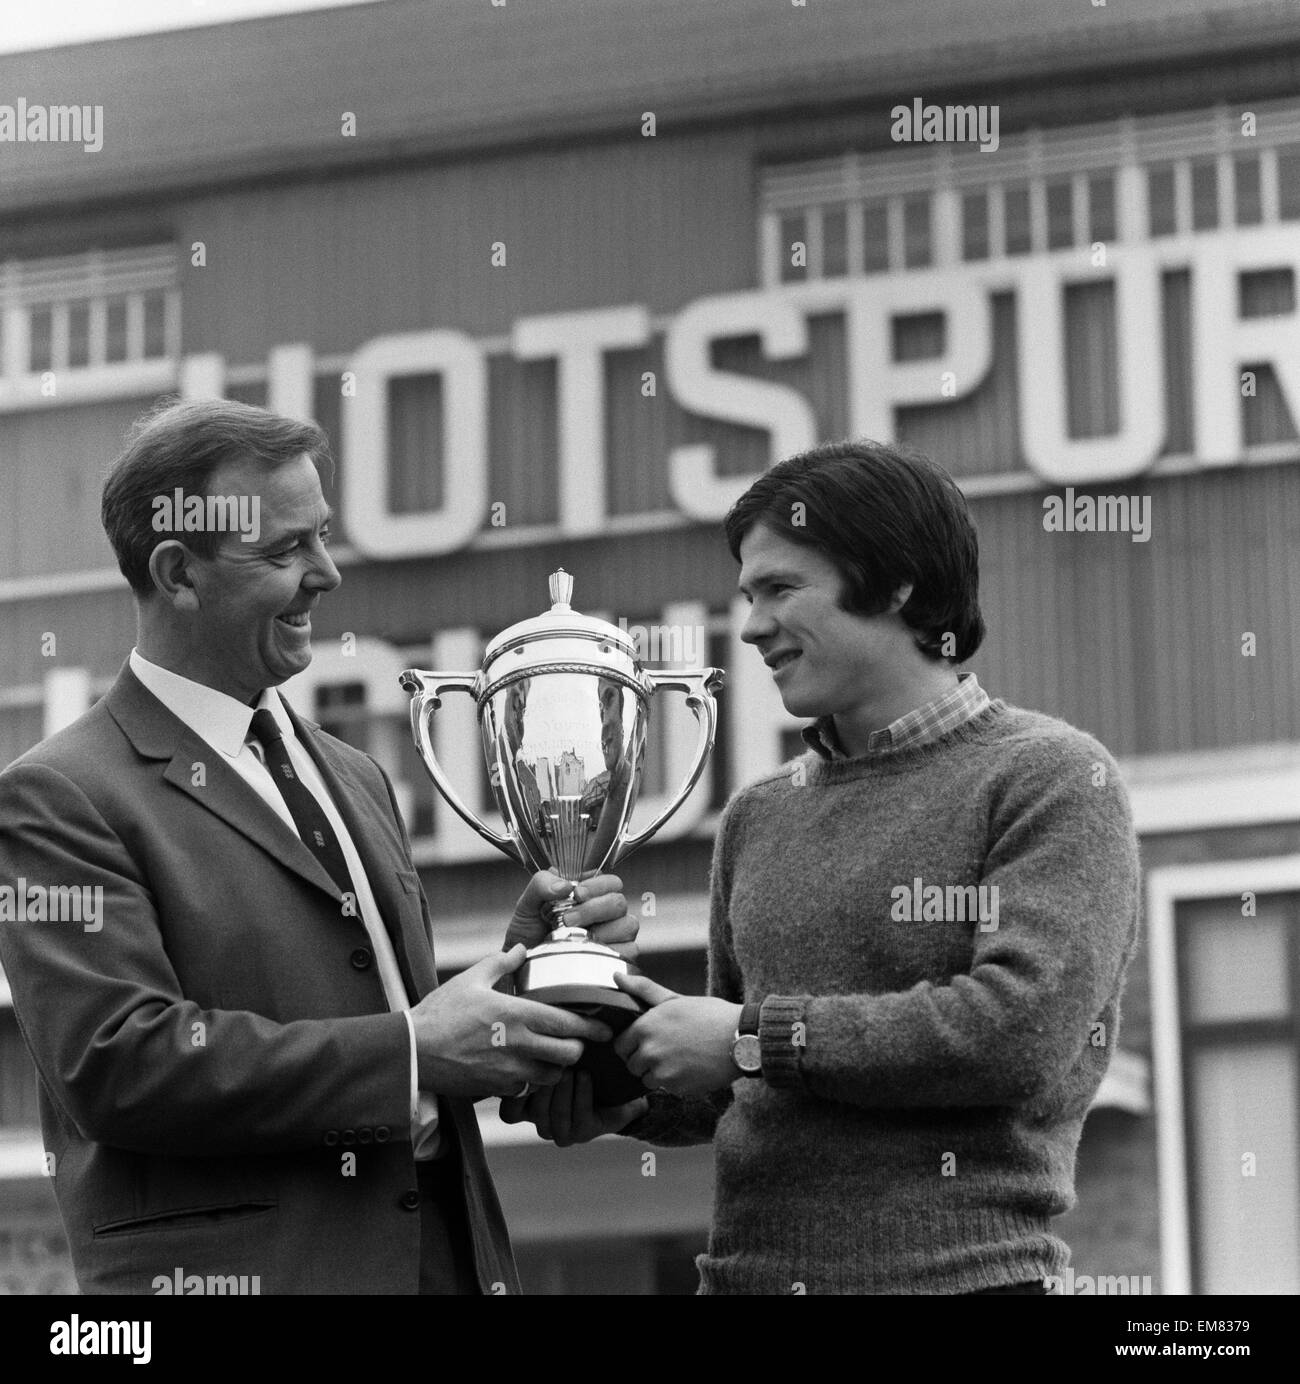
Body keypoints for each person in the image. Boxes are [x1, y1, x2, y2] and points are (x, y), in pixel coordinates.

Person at [0, 398, 632, 1295]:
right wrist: (414, 1048)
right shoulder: (61, 795)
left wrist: (524, 977)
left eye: (324, 537)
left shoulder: (352, 774)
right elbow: (119, 1065)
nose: (326, 574)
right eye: (285, 550)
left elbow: (386, 1026)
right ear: (178, 572)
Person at [502, 439, 1141, 1295]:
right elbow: (746, 1085)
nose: (753, 625)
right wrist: (628, 1093)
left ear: (897, 582)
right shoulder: (759, 815)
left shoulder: (1052, 777)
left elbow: (1013, 1036)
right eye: (747, 595)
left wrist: (745, 1039)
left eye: (781, 588)